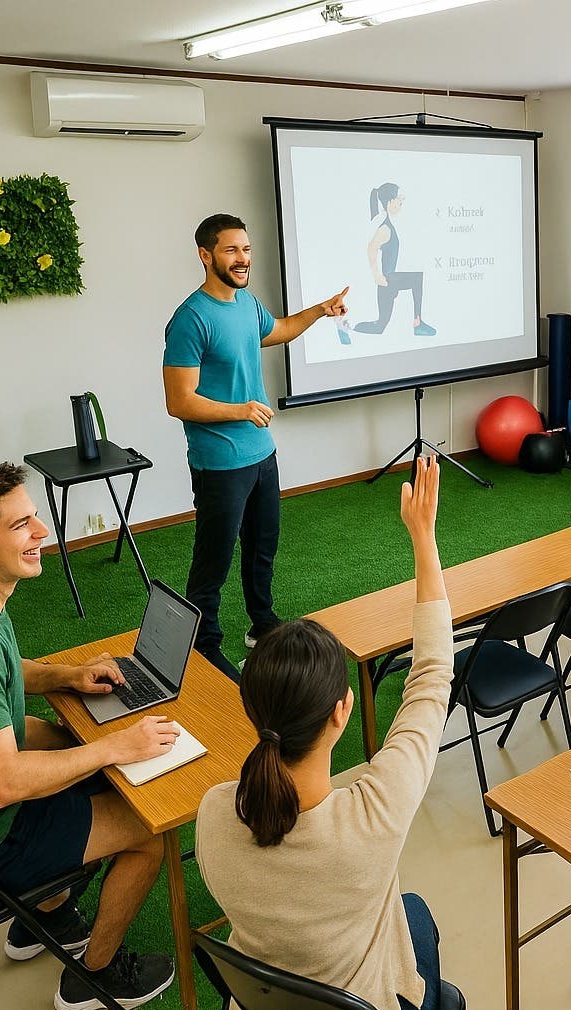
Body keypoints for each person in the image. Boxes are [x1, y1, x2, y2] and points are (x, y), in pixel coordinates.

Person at [197, 456, 451, 1010]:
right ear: (342, 711)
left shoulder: (213, 813)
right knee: (417, 916)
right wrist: (424, 536)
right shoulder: (375, 815)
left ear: (251, 707)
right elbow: (432, 676)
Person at [0, 463, 179, 1010]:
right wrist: (114, 747)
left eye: (35, 518)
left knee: (77, 753)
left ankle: (48, 919)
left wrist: (69, 675)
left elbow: (7, 672)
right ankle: (93, 979)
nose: (42, 532)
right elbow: (3, 783)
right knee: (148, 831)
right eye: (22, 525)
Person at [163, 213, 350, 679]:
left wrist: (320, 310)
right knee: (213, 561)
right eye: (231, 250)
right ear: (205, 255)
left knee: (262, 547)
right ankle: (204, 646)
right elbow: (179, 401)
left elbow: (277, 330)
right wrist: (241, 410)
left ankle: (262, 625)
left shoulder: (245, 303)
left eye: (246, 249)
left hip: (261, 453)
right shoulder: (190, 320)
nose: (242, 258)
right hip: (219, 461)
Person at [349, 183, 435, 338]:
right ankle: (353, 327)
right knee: (380, 326)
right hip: (387, 282)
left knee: (417, 277)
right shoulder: (385, 229)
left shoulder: (392, 224)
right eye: (398, 198)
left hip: (391, 279)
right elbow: (371, 249)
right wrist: (377, 276)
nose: (401, 200)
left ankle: (418, 323)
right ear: (389, 203)